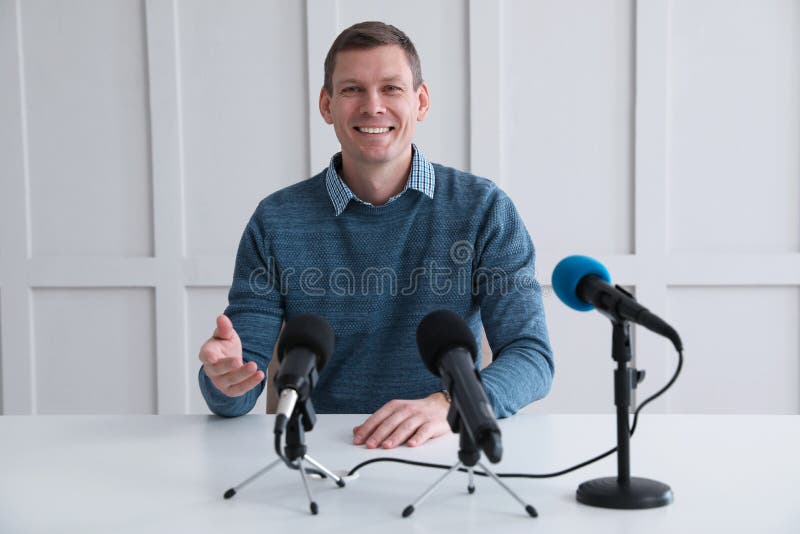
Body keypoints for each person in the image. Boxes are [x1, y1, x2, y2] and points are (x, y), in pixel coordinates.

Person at [198, 21, 553, 450]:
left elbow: (531, 357)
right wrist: (225, 381)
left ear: (420, 102)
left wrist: (449, 403)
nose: (373, 106)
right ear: (327, 106)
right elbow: (237, 384)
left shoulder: (483, 210)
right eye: (352, 90)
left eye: (391, 88)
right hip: (321, 452)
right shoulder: (276, 220)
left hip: (444, 443)